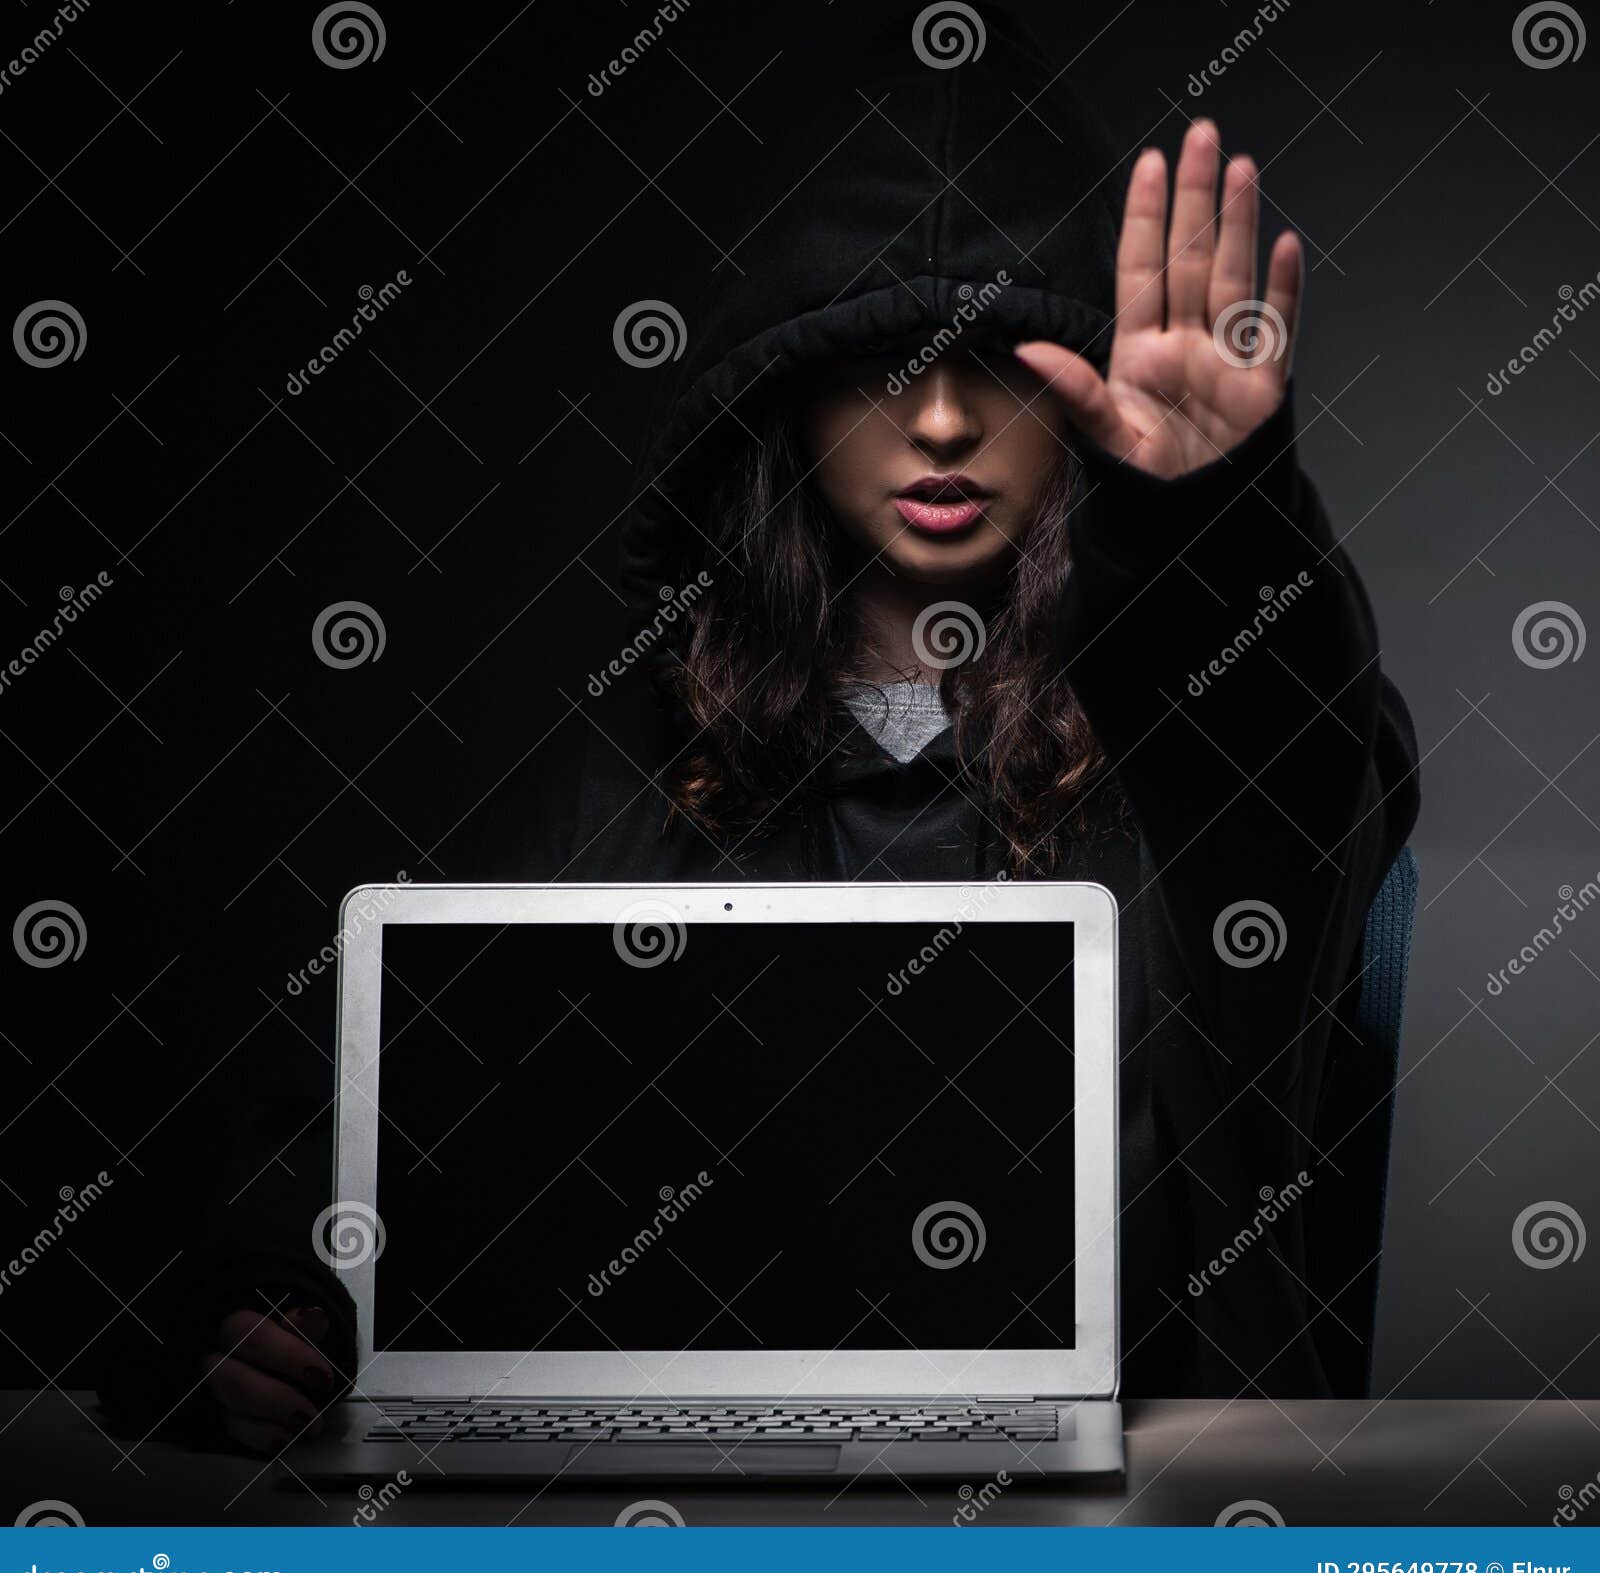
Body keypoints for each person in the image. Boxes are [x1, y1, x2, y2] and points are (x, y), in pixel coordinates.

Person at [96, 14, 1418, 1453]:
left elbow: (1281, 722)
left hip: (1141, 1508)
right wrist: (266, 1296)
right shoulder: (647, 764)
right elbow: (386, 1089)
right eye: (878, 366)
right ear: (784, 395)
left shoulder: (1198, 763)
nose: (942, 421)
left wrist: (1214, 520)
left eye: (1001, 361)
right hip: (707, 1487)